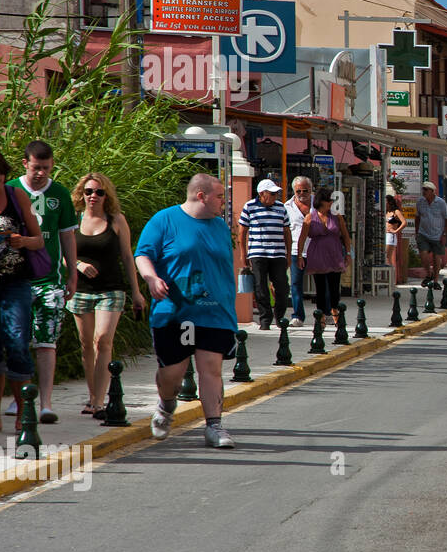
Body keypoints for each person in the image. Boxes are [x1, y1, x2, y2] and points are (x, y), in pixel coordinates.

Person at [134, 173, 239, 449]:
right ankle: (167, 405)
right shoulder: (165, 220)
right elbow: (142, 254)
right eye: (219, 196)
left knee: (211, 368)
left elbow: (224, 268)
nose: (223, 203)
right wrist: (151, 279)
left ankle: (214, 426)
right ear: (201, 195)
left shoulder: (220, 226)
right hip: (177, 312)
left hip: (214, 313)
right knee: (173, 375)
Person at [8, 140, 77, 425]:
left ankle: (46, 403)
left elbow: (67, 236)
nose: (41, 174)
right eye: (36, 168)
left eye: (46, 168)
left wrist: (72, 272)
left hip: (50, 279)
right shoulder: (10, 189)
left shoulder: (59, 194)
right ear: (25, 163)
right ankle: (19, 397)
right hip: (16, 278)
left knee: (47, 341)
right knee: (16, 338)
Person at [67, 173, 145, 418]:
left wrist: (136, 292)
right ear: (82, 194)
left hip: (111, 289)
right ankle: (92, 397)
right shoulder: (73, 219)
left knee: (102, 340)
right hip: (80, 290)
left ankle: (100, 401)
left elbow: (127, 257)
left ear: (106, 195)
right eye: (89, 191)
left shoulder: (116, 220)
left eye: (99, 192)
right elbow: (61, 252)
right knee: (86, 344)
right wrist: (78, 265)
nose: (93, 196)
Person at [0, 149, 45, 433]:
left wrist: (22, 241)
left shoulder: (16, 196)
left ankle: (25, 413)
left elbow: (39, 241)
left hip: (15, 282)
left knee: (17, 342)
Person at [237, 179, 291, 331]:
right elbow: (242, 233)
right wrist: (244, 254)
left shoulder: (281, 207)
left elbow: (286, 231)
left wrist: (288, 253)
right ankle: (265, 319)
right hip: (258, 253)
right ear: (261, 194)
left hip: (278, 253)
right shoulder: (249, 207)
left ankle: (280, 317)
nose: (275, 196)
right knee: (260, 287)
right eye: (272, 193)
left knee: (282, 286)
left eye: (276, 193)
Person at [299, 187, 350, 330]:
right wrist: (299, 257)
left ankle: (335, 314)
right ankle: (320, 317)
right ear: (321, 201)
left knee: (334, 287)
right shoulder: (310, 217)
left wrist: (348, 254)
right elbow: (302, 239)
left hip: (334, 254)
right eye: (329, 200)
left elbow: (345, 236)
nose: (331, 203)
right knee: (321, 288)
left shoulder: (337, 216)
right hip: (317, 255)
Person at [284, 176, 313, 327]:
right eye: (298, 191)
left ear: (311, 189)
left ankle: (326, 313)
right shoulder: (287, 207)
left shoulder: (319, 204)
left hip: (316, 249)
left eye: (305, 190)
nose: (302, 193)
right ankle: (298, 316)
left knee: (324, 283)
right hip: (296, 250)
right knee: (295, 284)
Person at [415, 180, 447, 286]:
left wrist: (444, 234)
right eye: (423, 189)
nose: (424, 191)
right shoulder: (420, 201)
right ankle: (429, 273)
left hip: (437, 234)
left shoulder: (441, 203)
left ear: (432, 191)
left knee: (436, 258)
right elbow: (417, 217)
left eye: (426, 190)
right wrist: (417, 232)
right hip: (423, 233)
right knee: (423, 254)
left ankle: (435, 280)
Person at [385, 195, 407, 286]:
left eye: (386, 202)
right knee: (384, 258)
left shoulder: (396, 212)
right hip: (385, 235)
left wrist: (396, 231)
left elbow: (404, 222)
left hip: (391, 235)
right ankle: (388, 279)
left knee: (387, 257)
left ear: (390, 202)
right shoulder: (386, 212)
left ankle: (392, 280)